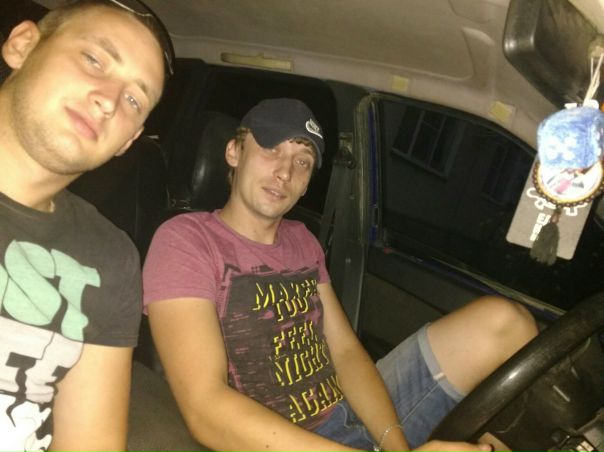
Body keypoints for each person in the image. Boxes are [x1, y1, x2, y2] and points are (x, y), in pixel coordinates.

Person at [143, 98, 538, 452]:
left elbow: (345, 352)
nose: (284, 172)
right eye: (271, 148)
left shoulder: (301, 239)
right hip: (276, 441)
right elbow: (205, 408)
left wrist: (395, 444)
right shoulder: (186, 240)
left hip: (348, 412)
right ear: (234, 151)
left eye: (302, 161)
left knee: (507, 321)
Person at [0, 0, 173, 450]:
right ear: (22, 45)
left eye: (134, 99)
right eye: (94, 59)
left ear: (129, 140)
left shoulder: (111, 258)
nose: (109, 101)